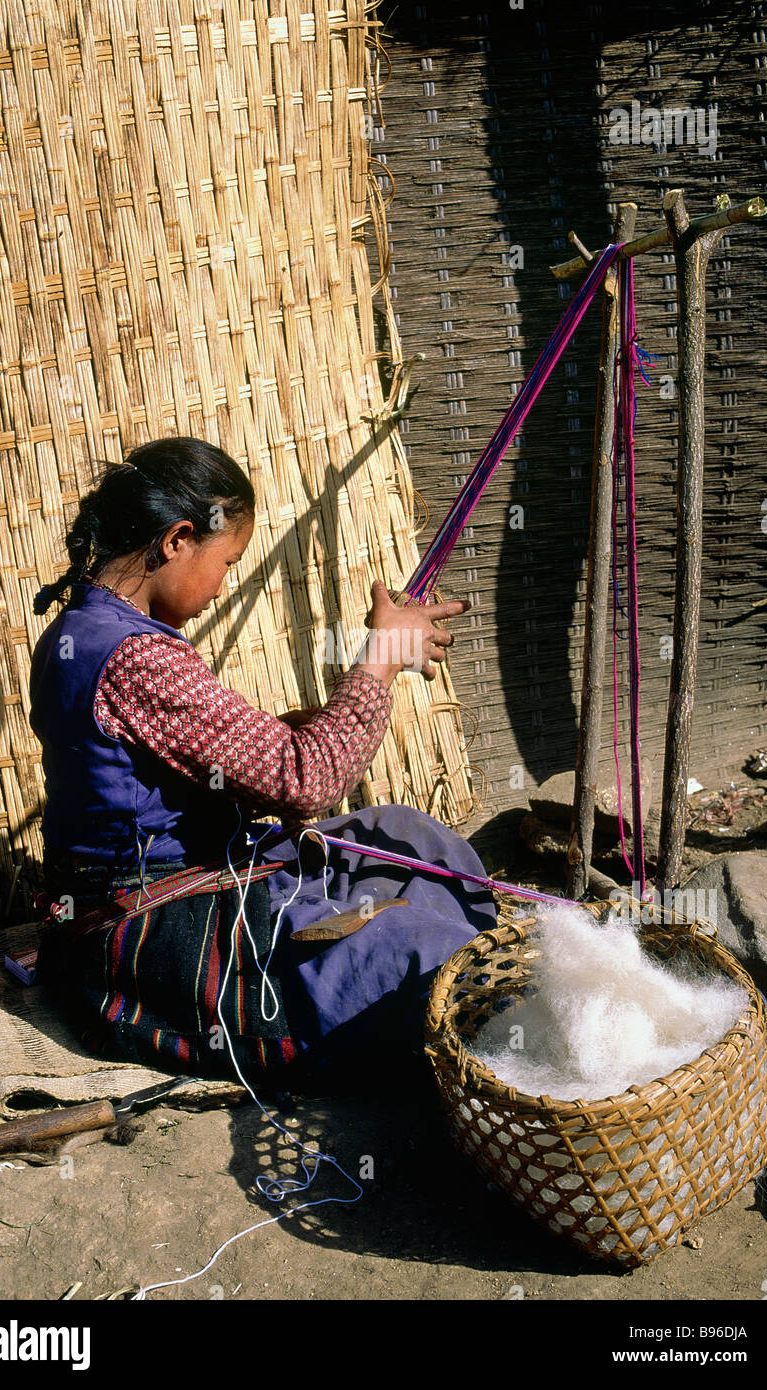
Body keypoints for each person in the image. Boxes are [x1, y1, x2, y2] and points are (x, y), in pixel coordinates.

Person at [29, 437, 496, 1089]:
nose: (223, 586)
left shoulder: (78, 632)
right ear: (177, 540)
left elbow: (164, 769)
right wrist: (379, 662)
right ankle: (484, 989)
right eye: (227, 562)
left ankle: (490, 961)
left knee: (406, 837)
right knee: (417, 956)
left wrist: (285, 732)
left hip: (177, 879)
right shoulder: (138, 660)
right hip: (154, 925)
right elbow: (309, 781)